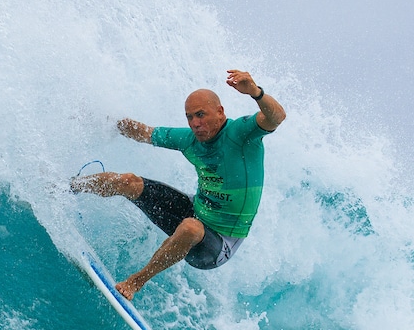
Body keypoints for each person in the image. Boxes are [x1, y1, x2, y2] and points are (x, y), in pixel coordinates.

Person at [71, 69, 286, 300]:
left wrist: (255, 92)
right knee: (128, 182)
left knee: (190, 228)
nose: (195, 123)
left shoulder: (241, 134)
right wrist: (105, 121)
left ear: (220, 112)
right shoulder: (189, 139)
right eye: (190, 117)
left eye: (201, 115)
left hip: (219, 244)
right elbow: (144, 132)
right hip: (195, 213)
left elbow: (276, 117)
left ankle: (135, 282)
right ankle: (67, 186)